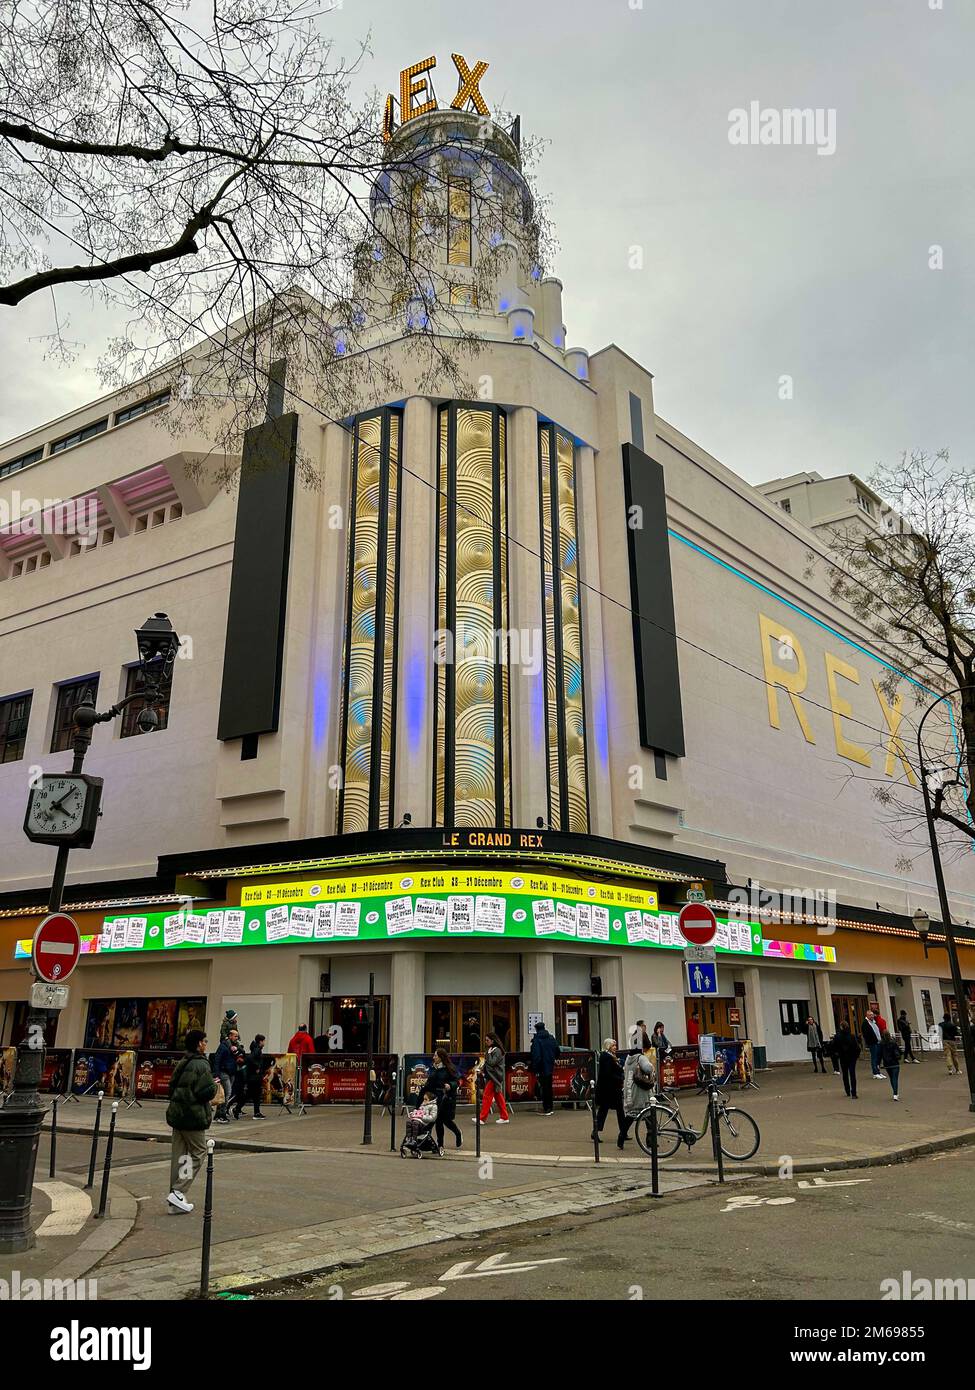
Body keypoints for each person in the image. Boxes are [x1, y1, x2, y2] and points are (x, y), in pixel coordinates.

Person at [166, 1028, 217, 1213]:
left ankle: (175, 1199)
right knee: (199, 1151)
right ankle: (179, 1191)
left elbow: (171, 1087)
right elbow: (205, 1091)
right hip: (192, 1116)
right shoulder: (201, 1064)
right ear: (198, 1044)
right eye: (204, 1041)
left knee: (180, 1156)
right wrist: (214, 1086)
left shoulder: (184, 1061)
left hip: (177, 1114)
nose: (205, 1044)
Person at [592, 1040, 629, 1149]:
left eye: (615, 1045)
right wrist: (620, 1077)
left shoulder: (610, 1056)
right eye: (613, 1045)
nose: (615, 1047)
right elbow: (608, 1073)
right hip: (608, 1089)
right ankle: (596, 1131)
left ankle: (623, 1132)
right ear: (608, 1046)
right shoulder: (607, 1057)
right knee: (605, 1110)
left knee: (618, 1110)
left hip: (611, 1089)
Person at [425, 1048, 463, 1149]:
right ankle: (440, 1144)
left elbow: (457, 1081)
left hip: (447, 1098)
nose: (433, 1057)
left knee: (447, 1121)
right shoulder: (433, 1068)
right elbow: (430, 1082)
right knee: (438, 1121)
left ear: (441, 1057)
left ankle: (458, 1133)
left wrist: (450, 1085)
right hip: (436, 1098)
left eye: (435, 1056)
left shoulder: (449, 1068)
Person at [475, 1032, 510, 1124]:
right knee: (498, 1097)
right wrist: (482, 1069)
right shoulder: (492, 1050)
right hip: (494, 1076)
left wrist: (488, 1054)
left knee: (487, 1096)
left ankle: (482, 1118)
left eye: (487, 1040)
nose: (486, 1042)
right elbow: (488, 1063)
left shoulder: (496, 1050)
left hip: (494, 1077)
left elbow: (492, 1062)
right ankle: (504, 1116)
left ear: (492, 1040)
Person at [233, 1035, 269, 1118]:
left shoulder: (256, 1049)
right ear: (260, 1041)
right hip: (254, 1077)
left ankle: (253, 1112)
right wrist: (257, 1067)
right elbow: (250, 1059)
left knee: (253, 1095)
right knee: (253, 1095)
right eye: (263, 1041)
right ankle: (240, 1109)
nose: (264, 1043)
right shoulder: (257, 1050)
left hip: (253, 1077)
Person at [530, 1020, 558, 1116]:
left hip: (541, 1066)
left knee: (543, 1086)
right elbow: (557, 1050)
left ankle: (546, 1107)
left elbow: (536, 1055)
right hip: (550, 1065)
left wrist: (535, 1067)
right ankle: (550, 1106)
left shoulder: (537, 1040)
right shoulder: (551, 1038)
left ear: (536, 1029)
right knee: (548, 1086)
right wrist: (553, 1058)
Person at [212, 1030, 237, 1123]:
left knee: (224, 1094)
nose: (236, 1038)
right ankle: (222, 1114)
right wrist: (216, 1075)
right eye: (235, 1036)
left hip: (231, 1072)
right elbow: (217, 1060)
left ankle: (218, 1115)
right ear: (230, 1036)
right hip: (224, 1072)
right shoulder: (223, 1046)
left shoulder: (233, 1046)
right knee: (227, 1093)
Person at [831, 1020, 861, 1100]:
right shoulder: (851, 1036)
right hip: (851, 1058)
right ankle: (853, 1092)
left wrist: (837, 1054)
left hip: (843, 1058)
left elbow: (834, 1047)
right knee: (852, 1074)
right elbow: (857, 1047)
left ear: (841, 1027)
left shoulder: (837, 1037)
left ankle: (847, 1090)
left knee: (845, 1074)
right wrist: (856, 1056)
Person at [861, 1010, 884, 1079]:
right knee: (874, 1058)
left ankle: (878, 1071)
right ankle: (875, 1072)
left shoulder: (873, 1022)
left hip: (878, 1042)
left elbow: (876, 1031)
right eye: (870, 1015)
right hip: (873, 1043)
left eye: (872, 1015)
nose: (872, 1016)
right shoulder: (865, 1023)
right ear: (867, 1016)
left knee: (877, 1058)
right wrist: (871, 1041)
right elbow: (866, 1034)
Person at [880, 1030, 902, 1101]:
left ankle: (895, 1093)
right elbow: (900, 1051)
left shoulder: (881, 1044)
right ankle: (895, 1094)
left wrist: (878, 1063)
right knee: (895, 1078)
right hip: (895, 1063)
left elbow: (879, 1055)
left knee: (891, 1078)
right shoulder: (893, 1043)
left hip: (887, 1064)